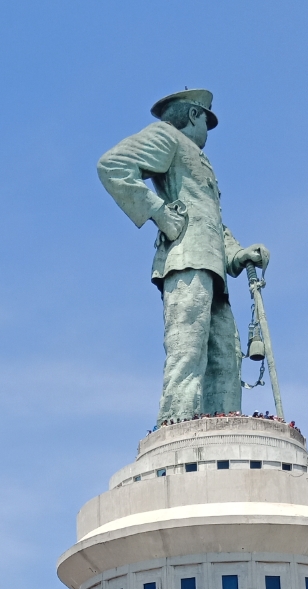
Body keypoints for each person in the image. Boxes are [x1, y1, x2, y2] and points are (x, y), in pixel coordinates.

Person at [97, 90, 269, 423]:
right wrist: (160, 212)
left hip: (213, 269)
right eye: (207, 120)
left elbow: (210, 219)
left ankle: (221, 428)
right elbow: (113, 165)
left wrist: (237, 254)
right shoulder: (167, 136)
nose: (208, 130)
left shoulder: (200, 160)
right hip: (186, 260)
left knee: (226, 358)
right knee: (187, 350)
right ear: (193, 115)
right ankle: (176, 424)